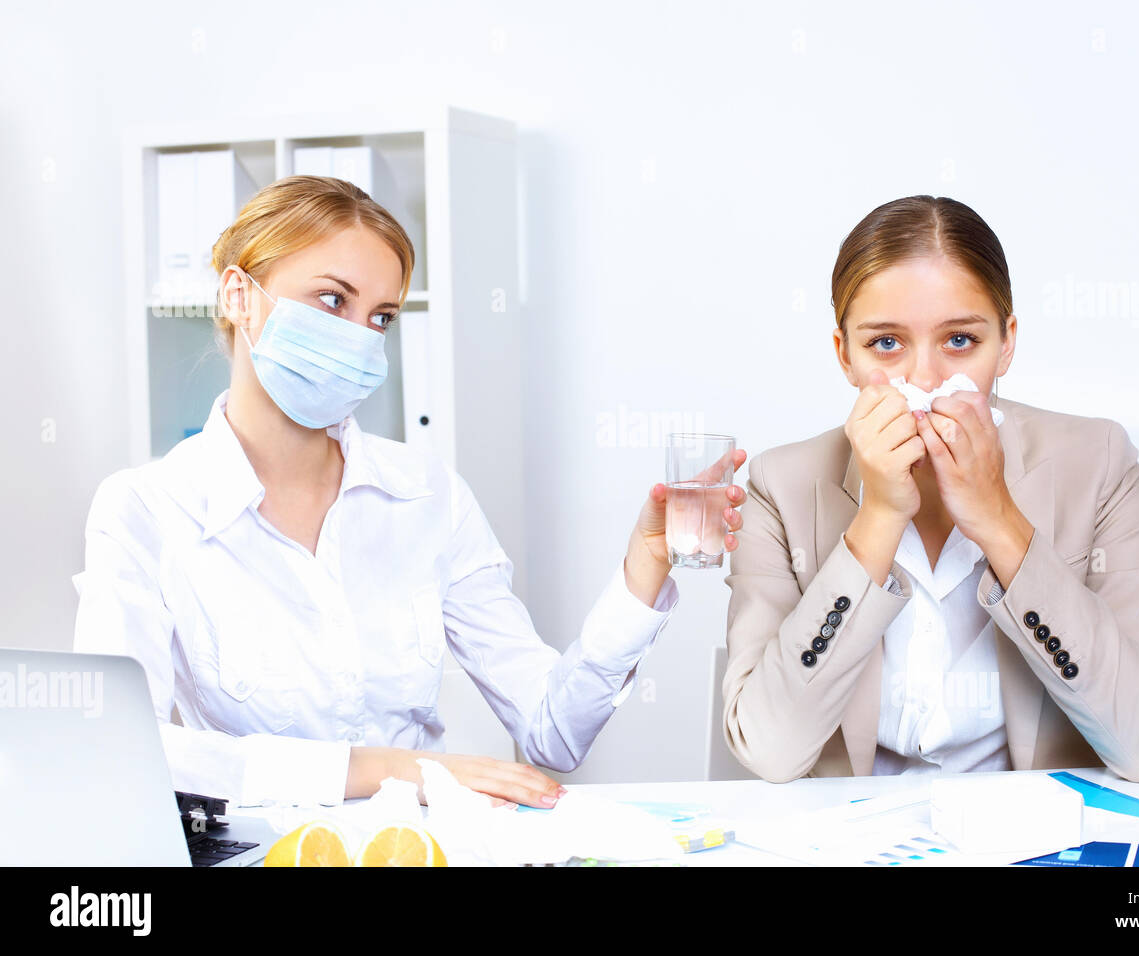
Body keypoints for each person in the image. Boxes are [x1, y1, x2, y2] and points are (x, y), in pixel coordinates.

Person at [72, 175, 747, 809]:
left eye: (381, 317)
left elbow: (552, 731)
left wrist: (643, 567)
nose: (358, 339)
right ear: (239, 295)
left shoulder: (428, 497)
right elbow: (120, 752)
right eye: (333, 300)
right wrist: (383, 769)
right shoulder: (145, 510)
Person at [722, 195, 1139, 784]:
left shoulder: (1097, 463)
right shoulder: (778, 487)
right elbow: (771, 750)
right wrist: (878, 522)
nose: (923, 379)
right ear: (845, 354)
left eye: (960, 341)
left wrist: (999, 521)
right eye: (886, 343)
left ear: (1007, 342)